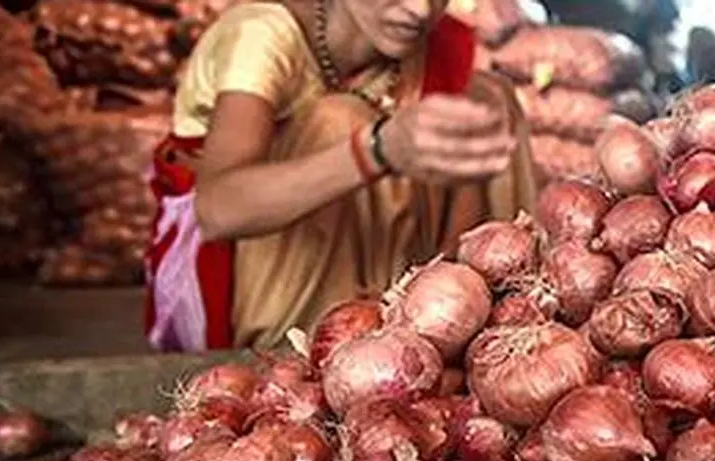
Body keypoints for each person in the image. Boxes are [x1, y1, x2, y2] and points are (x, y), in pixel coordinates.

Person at [147, 0, 537, 352]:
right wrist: (377, 151)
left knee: (489, 101)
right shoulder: (262, 35)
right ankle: (319, 357)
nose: (419, 9)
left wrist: (454, 297)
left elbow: (458, 217)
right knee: (338, 122)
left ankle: (495, 340)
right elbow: (217, 212)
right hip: (228, 280)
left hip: (393, 289)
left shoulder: (429, 46)